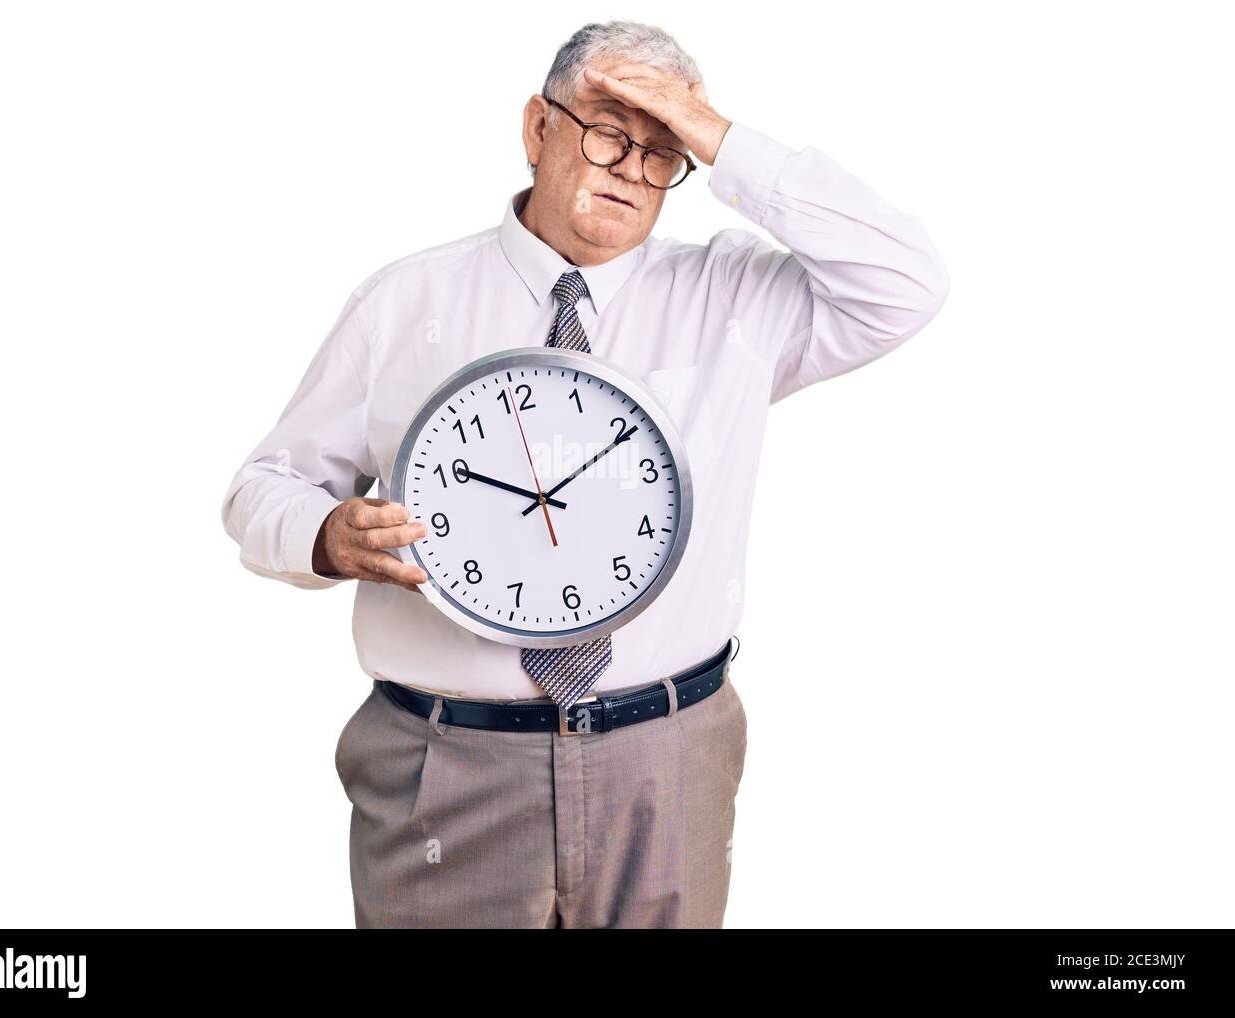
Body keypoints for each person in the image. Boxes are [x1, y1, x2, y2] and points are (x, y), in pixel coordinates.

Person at [220, 19, 949, 928]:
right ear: (538, 129)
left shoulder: (738, 300)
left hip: (667, 760)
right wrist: (325, 536)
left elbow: (908, 281)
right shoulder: (404, 303)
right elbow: (263, 488)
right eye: (609, 129)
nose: (629, 168)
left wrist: (722, 138)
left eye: (661, 150)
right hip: (445, 769)